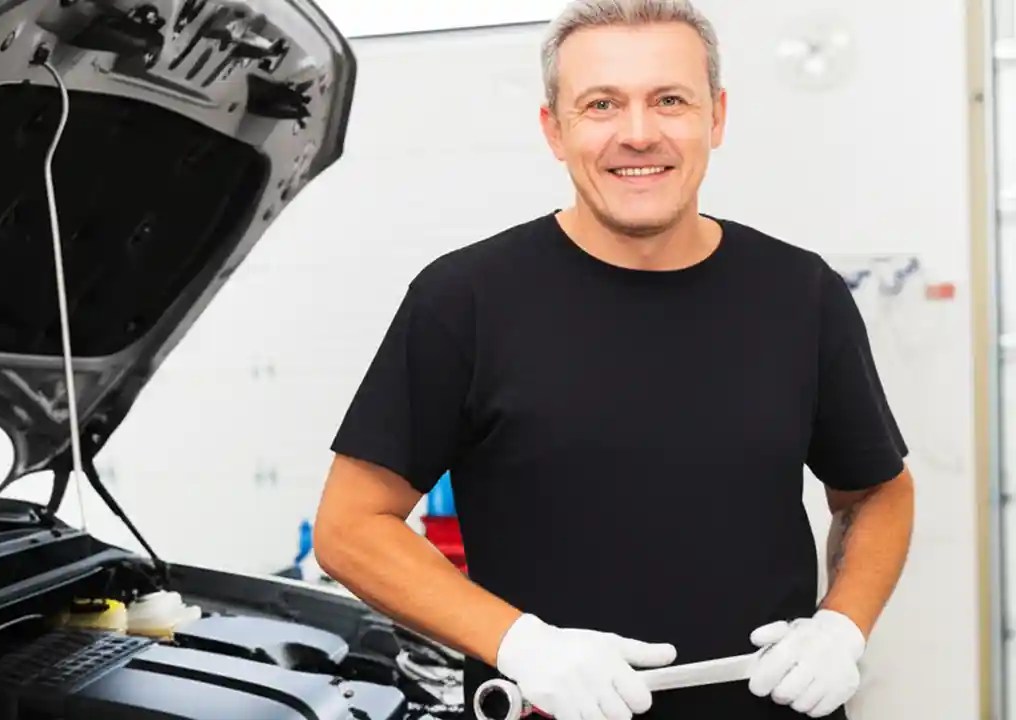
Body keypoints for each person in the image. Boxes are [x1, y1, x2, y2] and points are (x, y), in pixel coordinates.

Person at [312, 0, 915, 718]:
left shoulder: (801, 293)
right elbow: (351, 526)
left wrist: (843, 625)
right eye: (601, 104)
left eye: (670, 100)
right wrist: (520, 644)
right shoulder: (464, 301)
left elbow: (877, 491)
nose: (638, 134)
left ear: (716, 118)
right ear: (554, 130)